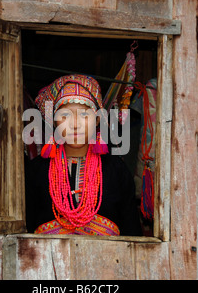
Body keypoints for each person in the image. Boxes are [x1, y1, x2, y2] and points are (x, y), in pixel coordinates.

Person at [25, 74, 142, 236]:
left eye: (84, 115)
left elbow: (132, 233)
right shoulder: (36, 170)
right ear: (54, 121)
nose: (75, 124)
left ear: (97, 120)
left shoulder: (116, 170)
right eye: (65, 115)